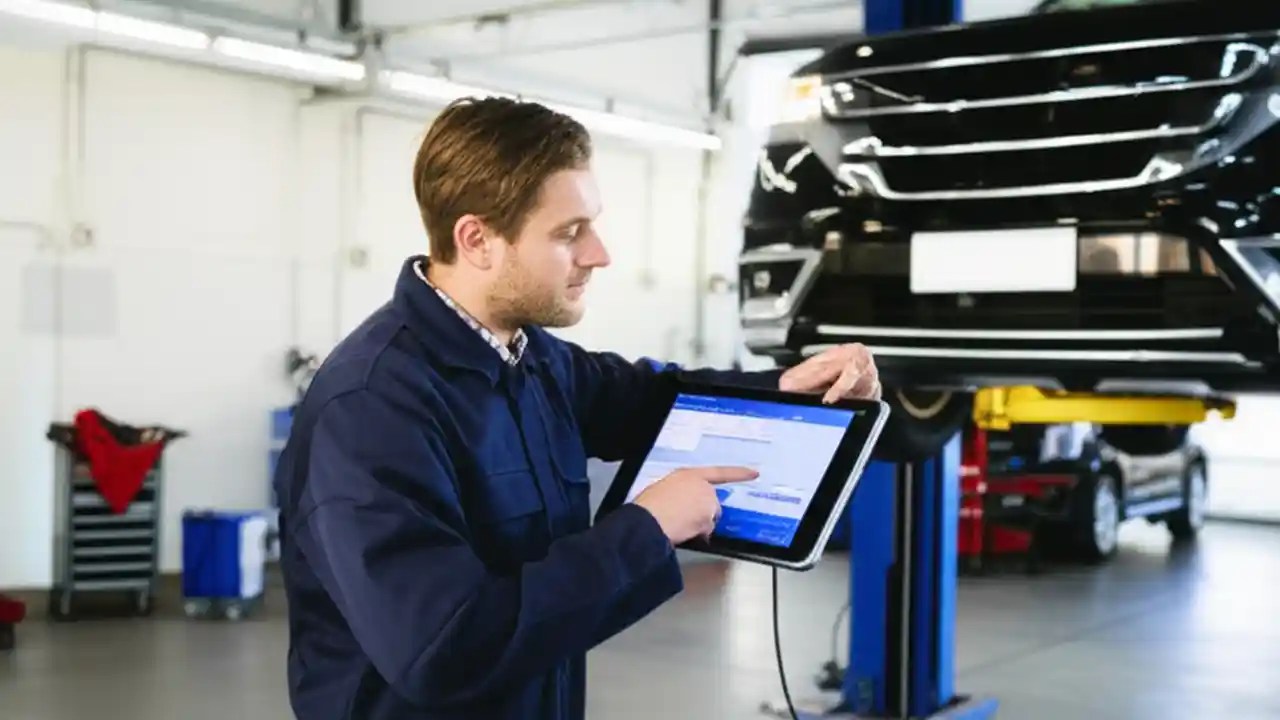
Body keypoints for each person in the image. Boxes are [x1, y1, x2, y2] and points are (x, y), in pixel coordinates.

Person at [273, 96, 884, 720]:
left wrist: (787, 386)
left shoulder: (531, 357)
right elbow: (444, 647)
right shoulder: (370, 408)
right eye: (569, 233)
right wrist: (646, 530)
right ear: (477, 239)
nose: (599, 254)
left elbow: (652, 399)